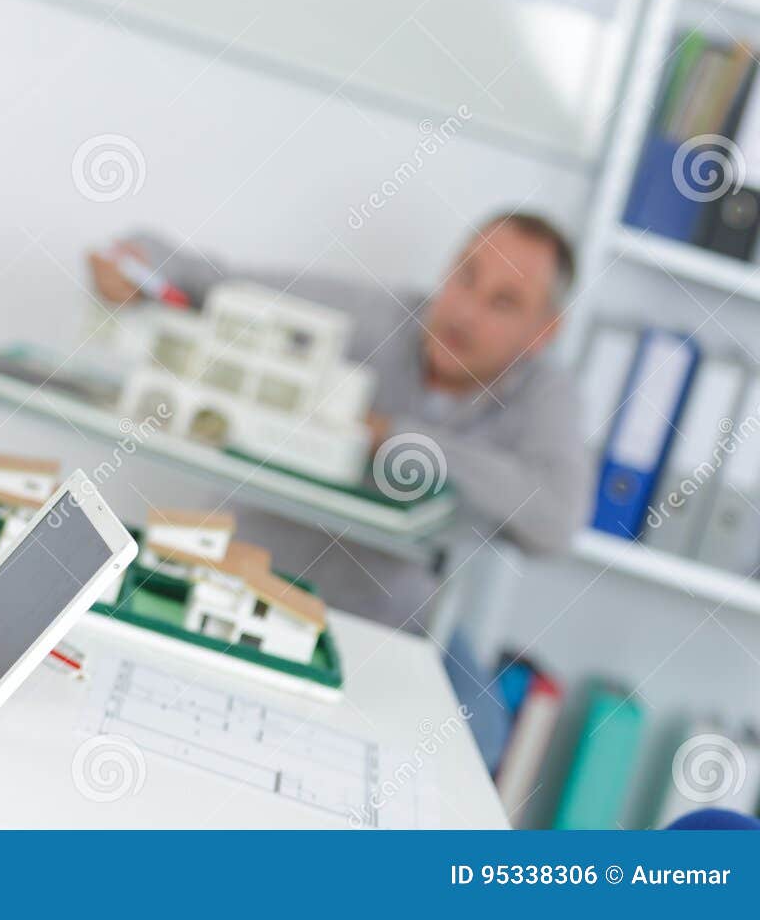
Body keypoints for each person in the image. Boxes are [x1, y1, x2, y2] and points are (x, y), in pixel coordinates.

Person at [89, 212, 589, 632]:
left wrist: (390, 437)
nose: (465, 312)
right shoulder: (371, 317)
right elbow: (211, 285)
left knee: (483, 729)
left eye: (503, 302)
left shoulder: (546, 395)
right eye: (465, 276)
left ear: (543, 332)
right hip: (237, 576)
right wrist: (138, 260)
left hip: (381, 627)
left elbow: (556, 522)